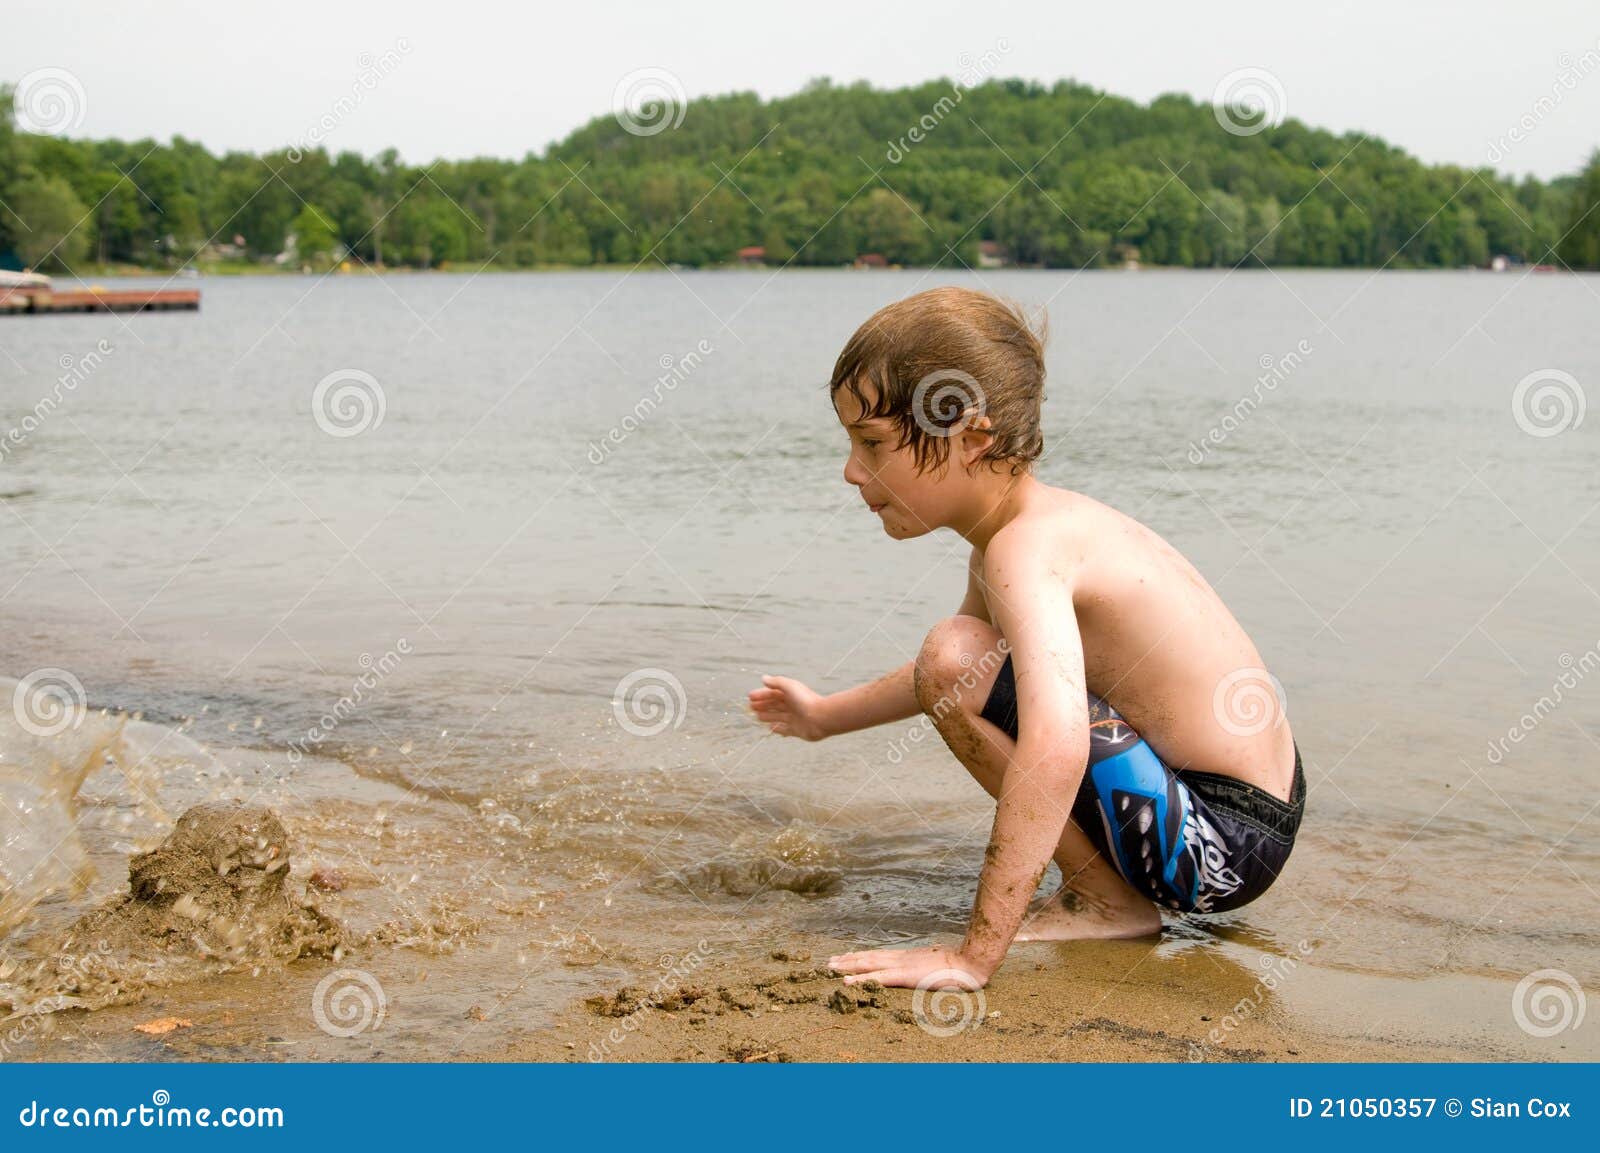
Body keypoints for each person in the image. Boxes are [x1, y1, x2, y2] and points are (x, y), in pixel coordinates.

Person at [746, 287, 1305, 993]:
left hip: (1216, 844)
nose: (852, 470)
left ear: (972, 439)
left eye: (873, 444)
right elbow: (956, 676)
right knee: (957, 653)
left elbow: (1051, 737)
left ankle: (1105, 901)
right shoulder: (1025, 534)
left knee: (956, 653)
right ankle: (1108, 892)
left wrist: (974, 955)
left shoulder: (1023, 552)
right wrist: (825, 715)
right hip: (1250, 818)